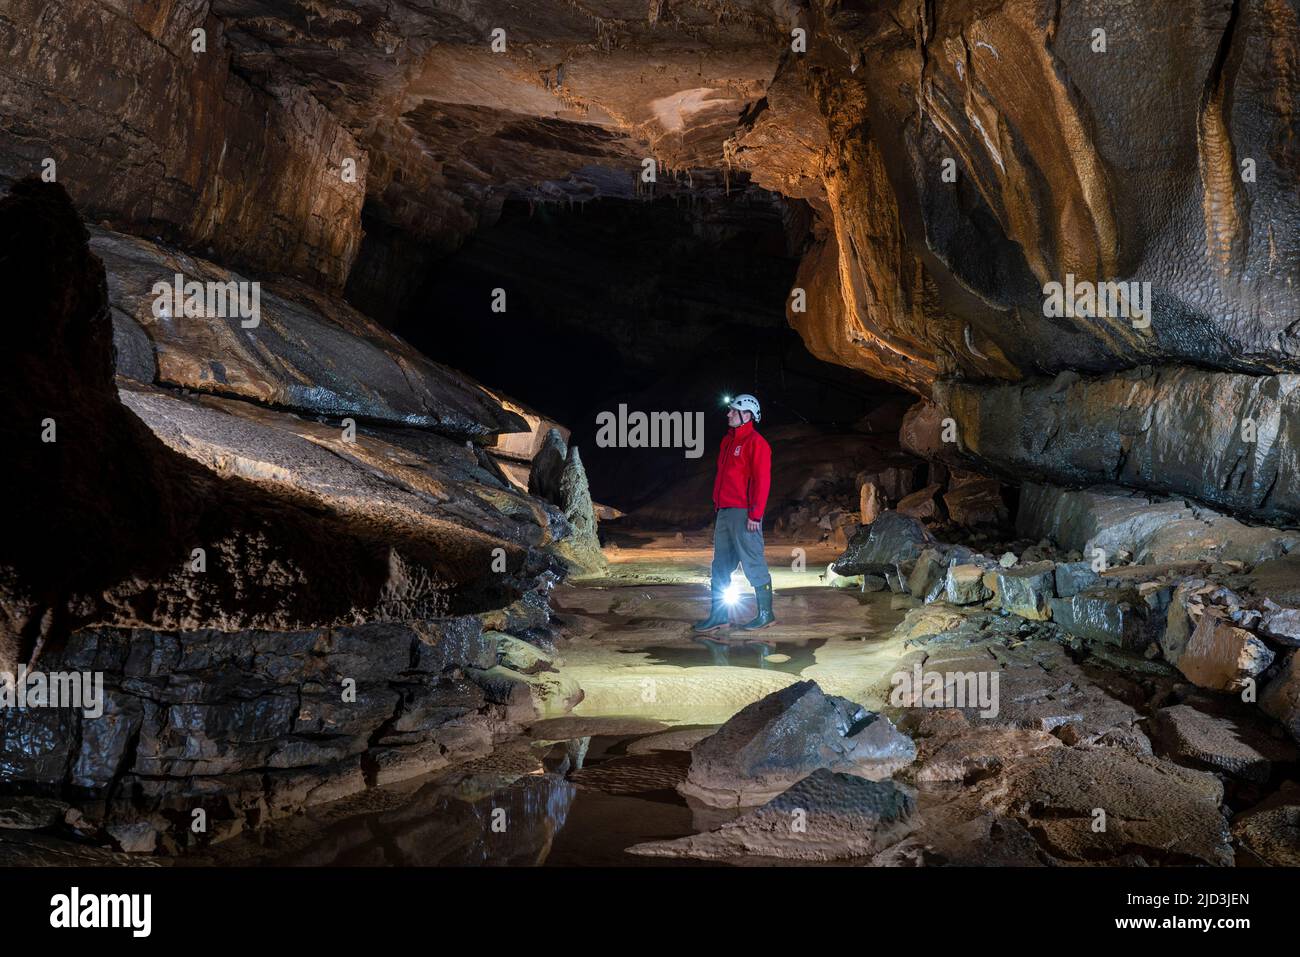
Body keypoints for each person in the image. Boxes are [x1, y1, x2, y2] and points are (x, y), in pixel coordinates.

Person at [693, 394, 774, 632]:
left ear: (747, 415)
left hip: (744, 513)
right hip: (725, 511)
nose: (728, 414)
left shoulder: (757, 443)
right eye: (730, 411)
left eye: (733, 411)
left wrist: (755, 515)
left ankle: (766, 614)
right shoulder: (727, 442)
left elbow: (762, 481)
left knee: (753, 561)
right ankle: (719, 616)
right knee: (719, 565)